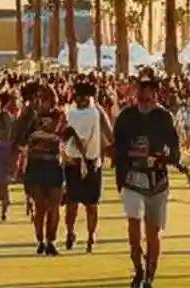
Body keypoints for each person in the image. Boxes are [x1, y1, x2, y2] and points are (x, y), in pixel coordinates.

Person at [113, 74, 181, 288]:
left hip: (157, 181)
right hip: (133, 180)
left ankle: (150, 274)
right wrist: (128, 158)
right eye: (142, 90)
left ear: (156, 92)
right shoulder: (126, 117)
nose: (145, 95)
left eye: (149, 90)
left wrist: (163, 157)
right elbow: (117, 148)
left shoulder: (164, 117)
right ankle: (138, 271)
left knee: (153, 232)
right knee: (134, 229)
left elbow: (175, 151)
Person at [63, 81, 114, 253]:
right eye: (78, 97)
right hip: (73, 162)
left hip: (91, 162)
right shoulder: (70, 111)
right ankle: (70, 232)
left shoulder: (97, 112)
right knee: (72, 203)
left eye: (84, 97)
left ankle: (91, 237)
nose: (81, 100)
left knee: (91, 204)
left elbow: (108, 133)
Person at [16, 85, 65, 255]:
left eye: (45, 97)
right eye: (39, 97)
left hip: (53, 164)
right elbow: (19, 137)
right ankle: (40, 239)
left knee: (54, 205)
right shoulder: (30, 116)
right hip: (36, 164)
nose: (42, 101)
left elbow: (63, 134)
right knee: (40, 206)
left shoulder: (60, 115)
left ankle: (51, 240)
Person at [0, 91, 20, 222]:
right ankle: (4, 204)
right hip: (4, 149)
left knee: (3, 179)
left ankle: (4, 203)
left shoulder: (5, 118)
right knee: (3, 179)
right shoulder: (3, 118)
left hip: (4, 149)